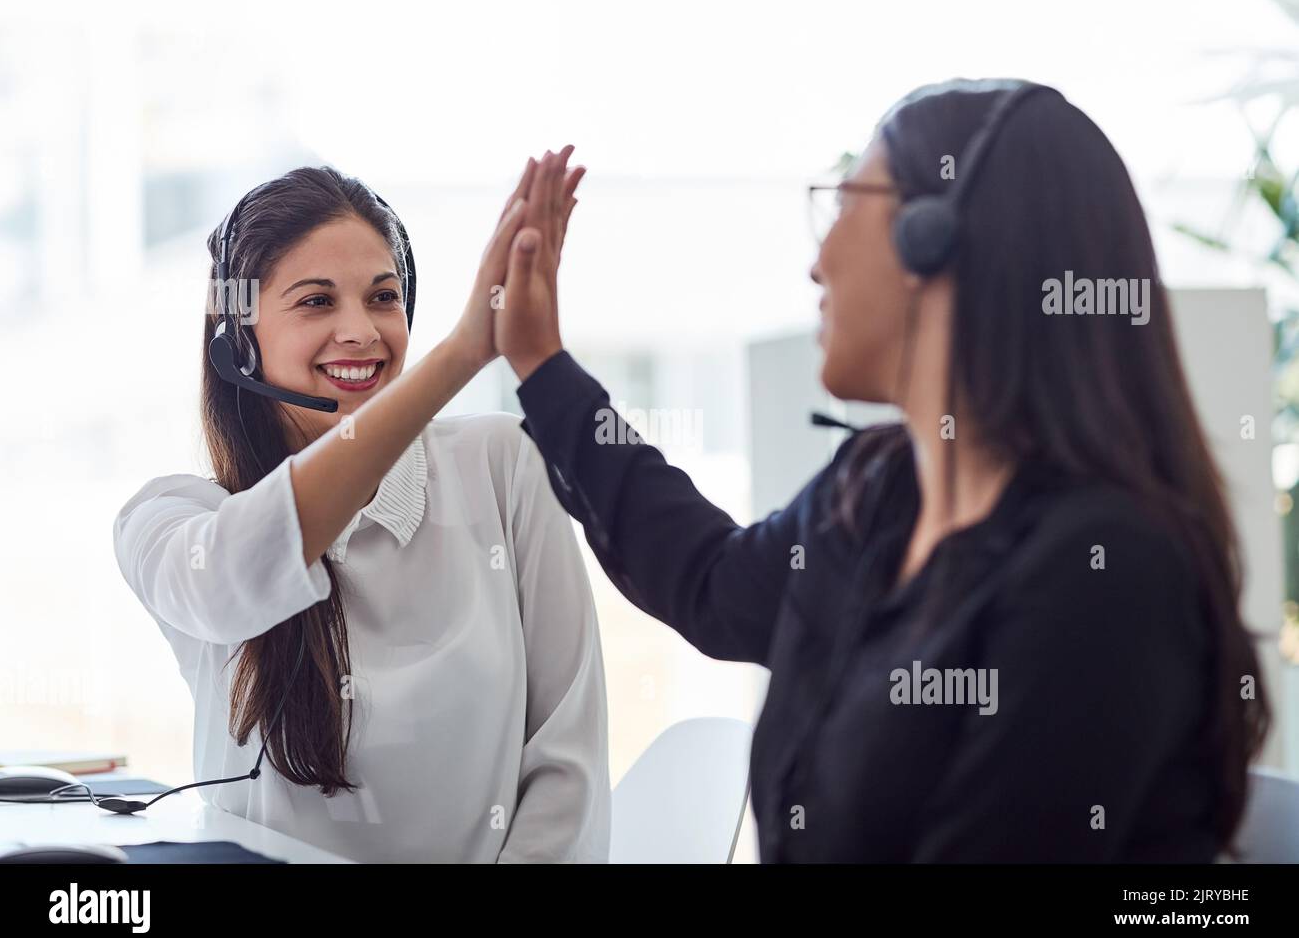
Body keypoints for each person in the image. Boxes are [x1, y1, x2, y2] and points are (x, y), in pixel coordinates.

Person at [491, 81, 1272, 862]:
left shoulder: (1102, 571)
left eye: (840, 206)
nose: (816, 263)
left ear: (932, 239)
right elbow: (708, 577)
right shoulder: (878, 497)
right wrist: (542, 365)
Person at [113, 158, 610, 863]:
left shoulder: (501, 466)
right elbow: (235, 577)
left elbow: (568, 768)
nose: (362, 332)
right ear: (237, 340)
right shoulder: (170, 520)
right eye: (316, 302)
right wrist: (464, 354)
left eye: (383, 297)